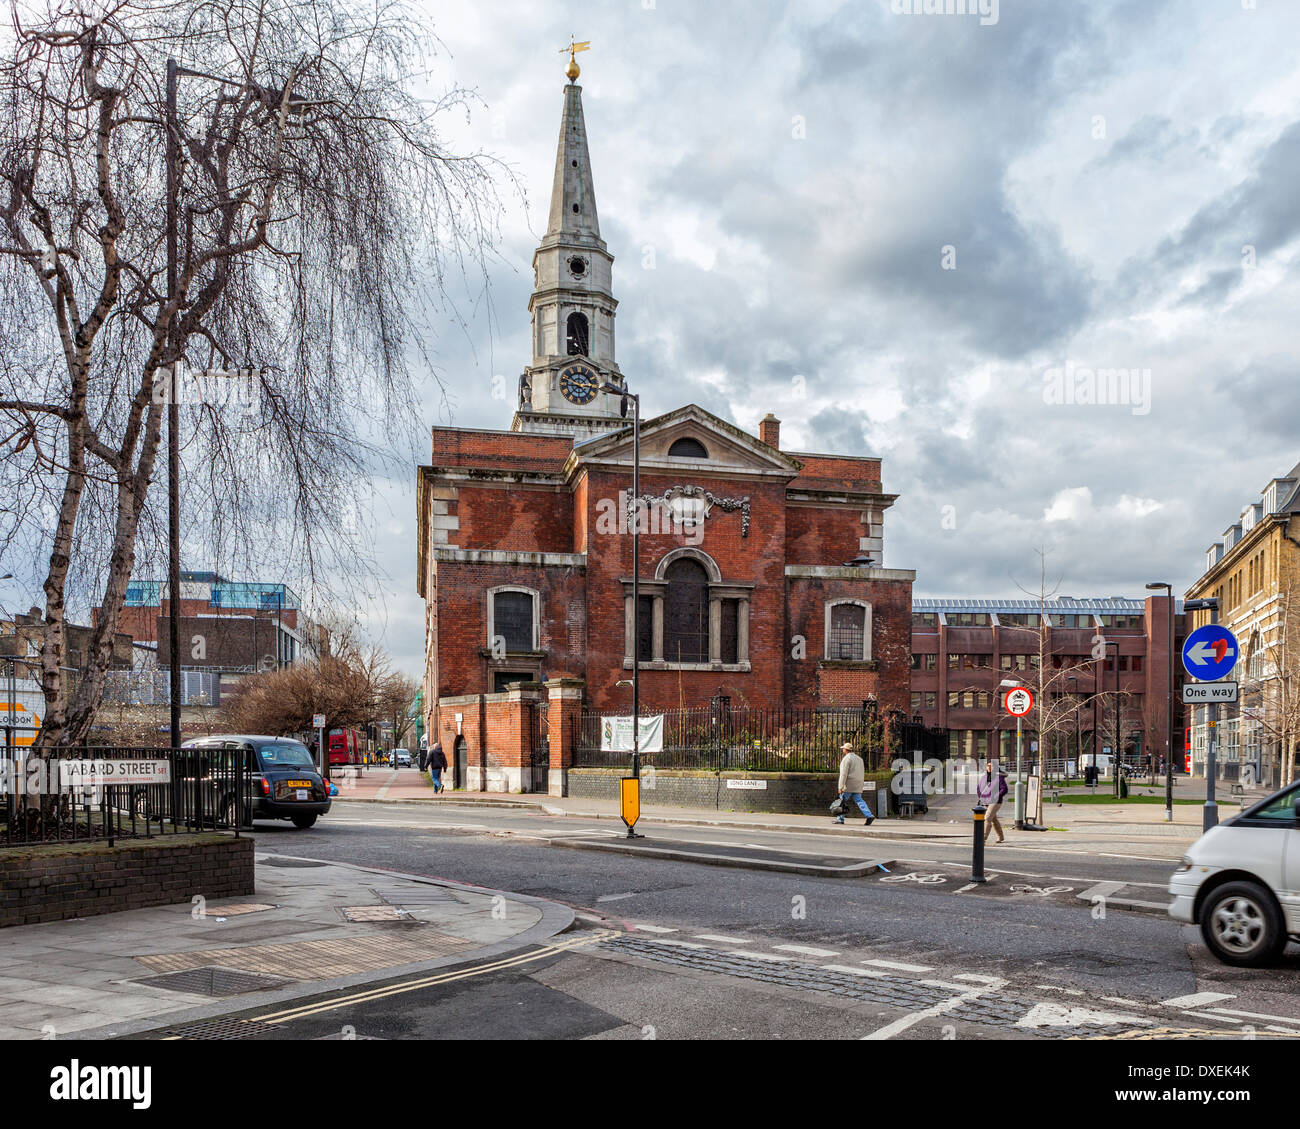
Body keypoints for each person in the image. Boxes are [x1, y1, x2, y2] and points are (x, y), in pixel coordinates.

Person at [834, 741, 874, 826]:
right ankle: (869, 815)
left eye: (843, 748)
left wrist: (840, 787)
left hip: (848, 785)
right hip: (858, 784)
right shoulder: (859, 759)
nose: (843, 750)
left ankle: (840, 819)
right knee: (859, 800)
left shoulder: (846, 759)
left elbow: (843, 774)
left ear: (846, 750)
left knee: (841, 800)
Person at [977, 759, 1008, 843]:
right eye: (988, 766)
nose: (989, 767)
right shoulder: (984, 777)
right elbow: (979, 788)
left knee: (987, 818)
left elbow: (1004, 789)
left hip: (995, 802)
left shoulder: (999, 777)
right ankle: (1001, 836)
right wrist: (981, 797)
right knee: (994, 819)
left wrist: (996, 796)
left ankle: (983, 838)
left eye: (991, 766)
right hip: (985, 801)